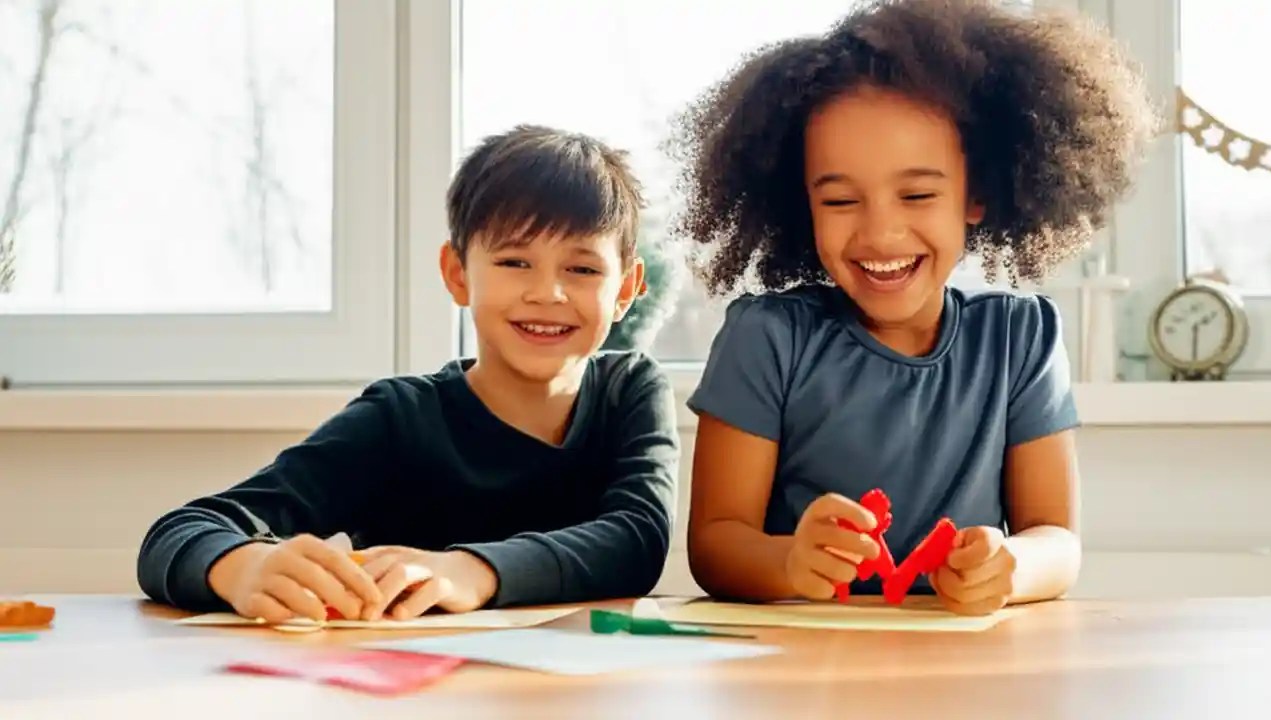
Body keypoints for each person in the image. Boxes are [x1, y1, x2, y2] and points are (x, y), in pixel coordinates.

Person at [670, 0, 1156, 615]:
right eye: (841, 200)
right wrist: (789, 561)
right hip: (805, 669)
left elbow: (1056, 541)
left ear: (976, 193)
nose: (880, 234)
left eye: (917, 194)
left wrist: (1012, 566)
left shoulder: (1020, 338)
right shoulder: (765, 339)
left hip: (961, 671)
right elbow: (715, 546)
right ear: (802, 205)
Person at [137, 125, 680, 623]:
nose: (547, 292)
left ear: (627, 290)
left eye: (582, 269)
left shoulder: (630, 391)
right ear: (457, 273)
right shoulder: (400, 417)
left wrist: (470, 571)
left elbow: (637, 540)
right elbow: (176, 534)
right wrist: (245, 568)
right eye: (515, 262)